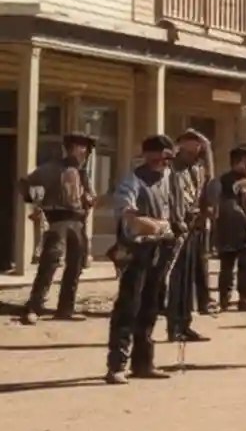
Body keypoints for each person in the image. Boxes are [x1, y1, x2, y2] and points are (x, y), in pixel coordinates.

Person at [104, 135, 179, 384]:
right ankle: (117, 365)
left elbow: (176, 212)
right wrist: (161, 226)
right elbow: (133, 220)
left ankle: (143, 363)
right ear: (148, 156)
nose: (164, 163)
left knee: (151, 307)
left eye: (167, 158)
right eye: (160, 157)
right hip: (136, 252)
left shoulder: (170, 178)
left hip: (160, 252)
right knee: (129, 307)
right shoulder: (131, 182)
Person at [18, 132, 97, 325]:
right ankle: (34, 307)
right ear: (69, 148)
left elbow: (90, 196)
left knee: (76, 265)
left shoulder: (83, 172)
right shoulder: (52, 169)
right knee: (50, 263)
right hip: (58, 220)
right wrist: (36, 203)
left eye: (86, 148)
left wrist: (89, 199)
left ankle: (65, 308)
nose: (84, 151)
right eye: (80, 147)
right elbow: (25, 184)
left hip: (78, 222)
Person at [167, 129, 214, 343]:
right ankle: (175, 325)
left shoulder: (198, 168)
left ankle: (185, 323)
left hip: (194, 225)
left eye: (199, 145)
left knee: (189, 279)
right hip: (177, 226)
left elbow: (208, 186)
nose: (197, 148)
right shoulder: (173, 168)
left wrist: (208, 150)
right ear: (182, 145)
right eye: (193, 144)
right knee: (178, 278)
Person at [209, 144, 246, 312]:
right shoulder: (224, 181)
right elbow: (225, 205)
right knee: (227, 266)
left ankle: (244, 298)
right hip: (229, 230)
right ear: (236, 162)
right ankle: (224, 299)